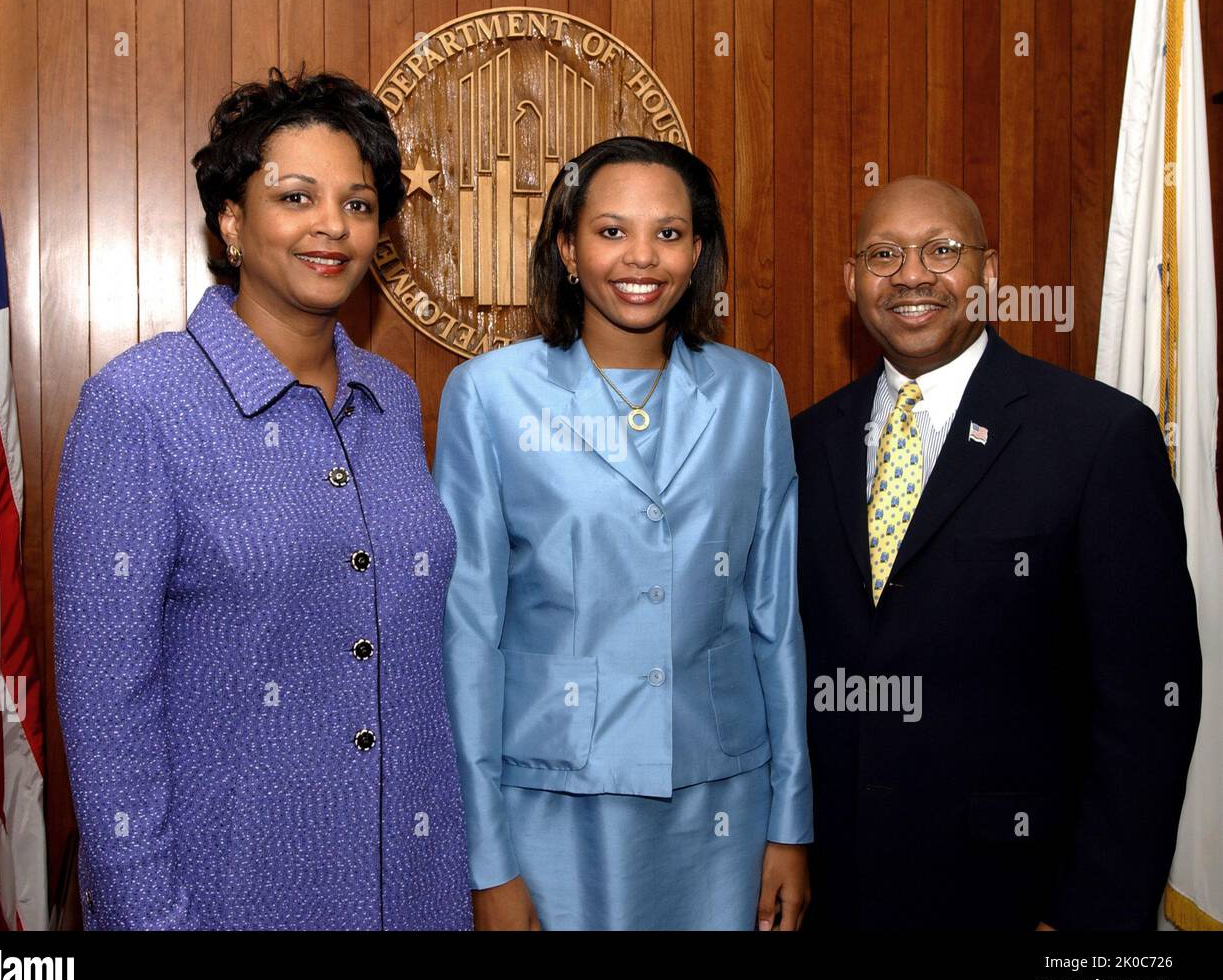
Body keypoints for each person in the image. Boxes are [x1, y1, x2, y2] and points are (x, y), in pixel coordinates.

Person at [52, 68, 471, 930]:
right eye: (296, 196)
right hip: (227, 896)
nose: (333, 226)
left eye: (359, 204)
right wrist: (145, 917)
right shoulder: (142, 404)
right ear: (232, 222)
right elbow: (105, 710)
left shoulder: (390, 399)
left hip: (413, 888)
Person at [791, 175, 1202, 930]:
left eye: (941, 250)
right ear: (851, 282)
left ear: (990, 273)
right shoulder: (804, 443)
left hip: (1019, 893)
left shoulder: (1099, 438)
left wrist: (1092, 918)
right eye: (884, 255)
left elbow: (1149, 709)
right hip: (838, 888)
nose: (911, 275)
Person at [432, 135, 812, 930]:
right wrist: (485, 854)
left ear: (698, 250)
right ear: (567, 248)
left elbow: (775, 618)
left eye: (669, 233)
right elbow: (469, 633)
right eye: (611, 231)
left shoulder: (753, 393)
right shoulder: (490, 396)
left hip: (721, 801)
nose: (642, 258)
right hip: (550, 800)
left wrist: (790, 821)